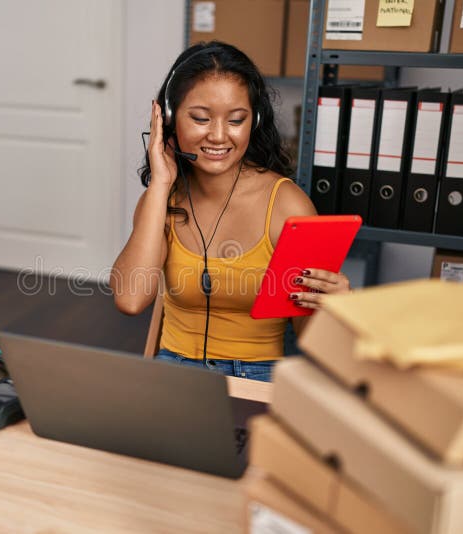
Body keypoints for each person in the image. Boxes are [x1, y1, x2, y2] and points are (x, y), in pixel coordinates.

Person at [111, 42, 350, 382]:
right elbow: (130, 299)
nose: (219, 136)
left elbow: (310, 338)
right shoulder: (161, 199)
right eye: (200, 118)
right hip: (173, 371)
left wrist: (335, 307)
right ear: (167, 118)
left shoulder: (288, 206)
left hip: (258, 375)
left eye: (236, 120)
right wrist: (160, 184)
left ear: (255, 121)